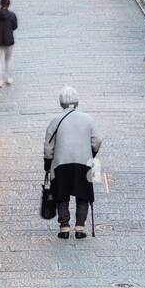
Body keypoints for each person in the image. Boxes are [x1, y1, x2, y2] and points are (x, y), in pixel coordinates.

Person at [43, 86, 102, 240]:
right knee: (83, 194)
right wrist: (91, 153)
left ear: (61, 103)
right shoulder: (88, 119)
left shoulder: (55, 121)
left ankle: (64, 227)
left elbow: (48, 145)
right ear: (77, 102)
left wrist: (47, 164)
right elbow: (97, 140)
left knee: (61, 194)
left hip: (61, 163)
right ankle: (80, 227)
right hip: (84, 162)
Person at [0, 0, 18, 87]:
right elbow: (14, 27)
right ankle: (8, 78)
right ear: (9, 4)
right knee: (8, 60)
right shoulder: (12, 15)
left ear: (0, 4)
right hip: (9, 40)